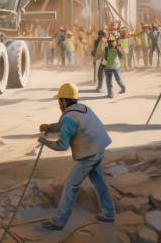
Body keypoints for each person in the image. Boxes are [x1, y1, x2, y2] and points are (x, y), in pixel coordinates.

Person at [38, 83, 114, 230]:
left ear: (64, 101)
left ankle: (59, 221)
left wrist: (44, 141)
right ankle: (108, 212)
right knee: (98, 180)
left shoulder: (68, 117)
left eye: (59, 101)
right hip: (100, 147)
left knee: (70, 185)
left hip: (90, 154)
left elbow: (62, 145)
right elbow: (66, 124)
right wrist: (50, 127)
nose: (59, 104)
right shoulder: (83, 108)